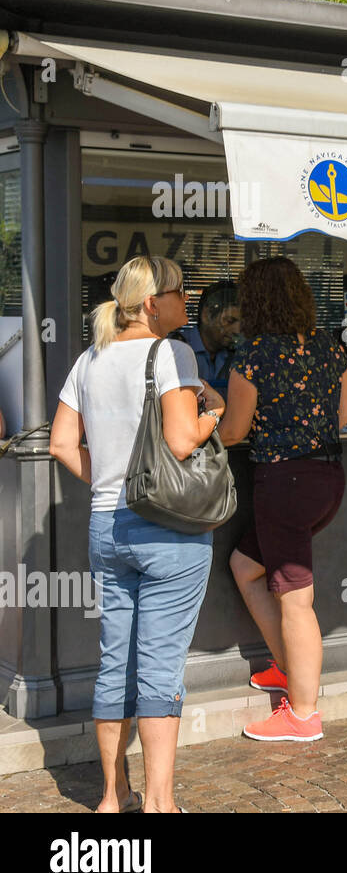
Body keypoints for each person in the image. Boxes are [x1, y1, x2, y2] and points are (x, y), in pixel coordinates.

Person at [49, 255, 218, 813]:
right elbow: (179, 442)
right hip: (167, 528)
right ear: (152, 302)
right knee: (160, 665)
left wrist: (109, 480)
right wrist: (211, 415)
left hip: (106, 524)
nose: (186, 302)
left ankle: (112, 795)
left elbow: (60, 444)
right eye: (179, 293)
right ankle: (161, 804)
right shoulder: (173, 353)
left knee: (115, 660)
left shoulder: (89, 358)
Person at [218, 258, 347, 742]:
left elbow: (233, 431)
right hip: (328, 478)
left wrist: (210, 417)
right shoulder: (326, 345)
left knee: (296, 599)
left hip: (283, 485)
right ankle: (292, 670)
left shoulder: (252, 354)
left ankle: (302, 713)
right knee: (244, 565)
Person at [170, 281, 240, 398]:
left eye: (241, 324)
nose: (237, 330)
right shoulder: (175, 349)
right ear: (206, 315)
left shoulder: (236, 354)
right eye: (229, 321)